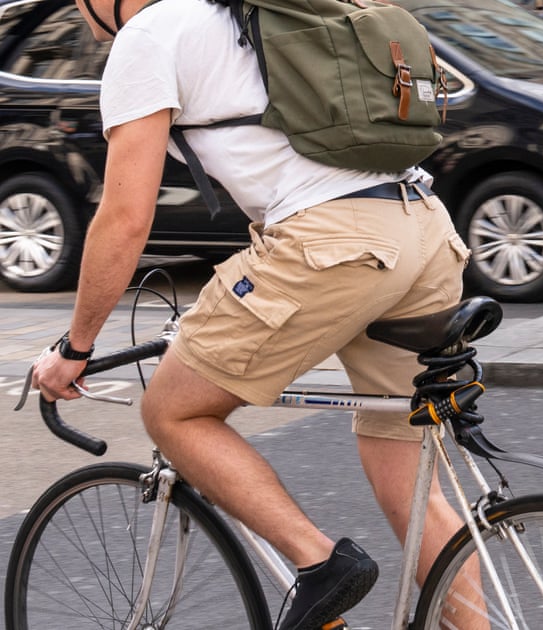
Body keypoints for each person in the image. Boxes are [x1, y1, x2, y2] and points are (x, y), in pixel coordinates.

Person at [31, 0, 476, 628]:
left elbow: (125, 218)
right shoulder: (250, 12)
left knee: (172, 410)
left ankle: (322, 565)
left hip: (333, 244)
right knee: (404, 470)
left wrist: (76, 346)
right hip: (425, 227)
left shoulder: (149, 36)